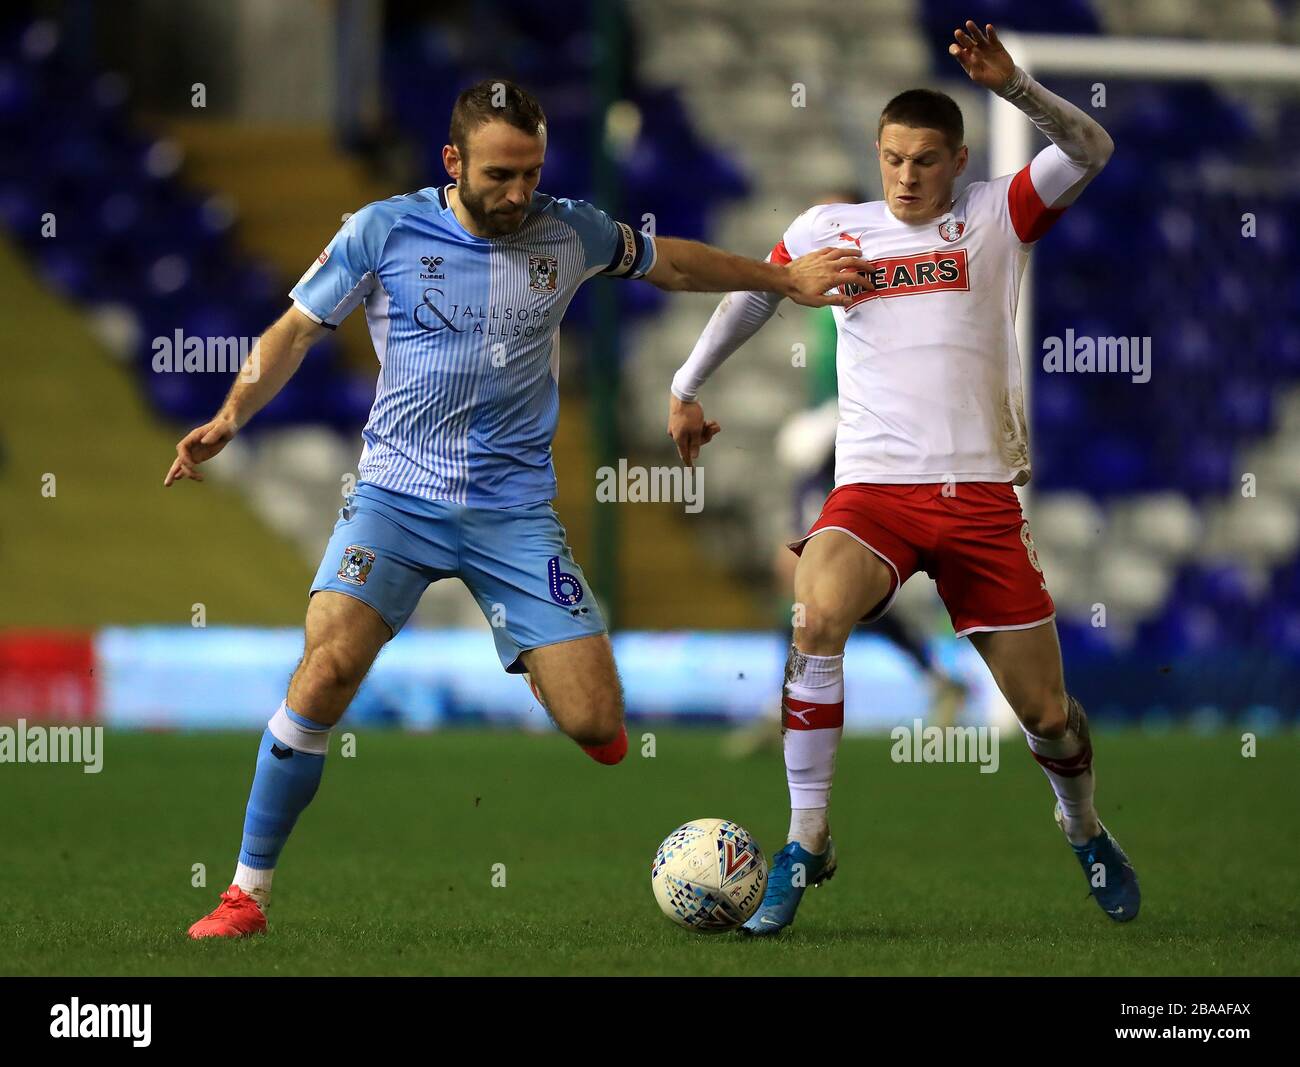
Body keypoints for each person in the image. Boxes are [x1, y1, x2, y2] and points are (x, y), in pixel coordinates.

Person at [170, 78, 868, 939]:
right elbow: (294, 330)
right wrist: (231, 415)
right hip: (394, 498)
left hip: (513, 514)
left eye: (531, 174)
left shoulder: (567, 230)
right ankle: (247, 893)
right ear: (452, 161)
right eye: (500, 175)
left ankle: (534, 648)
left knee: (597, 722)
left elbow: (673, 261)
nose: (518, 194)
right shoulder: (382, 230)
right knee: (326, 668)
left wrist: (782, 278)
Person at [668, 22, 1139, 934]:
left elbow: (1092, 147)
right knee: (814, 614)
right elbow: (758, 292)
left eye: (925, 160)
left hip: (982, 498)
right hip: (875, 490)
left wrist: (1019, 88)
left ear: (958, 160)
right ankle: (805, 841)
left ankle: (1083, 827)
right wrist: (688, 385)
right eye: (892, 158)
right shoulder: (830, 229)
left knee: (1048, 714)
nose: (906, 176)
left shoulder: (1000, 212)